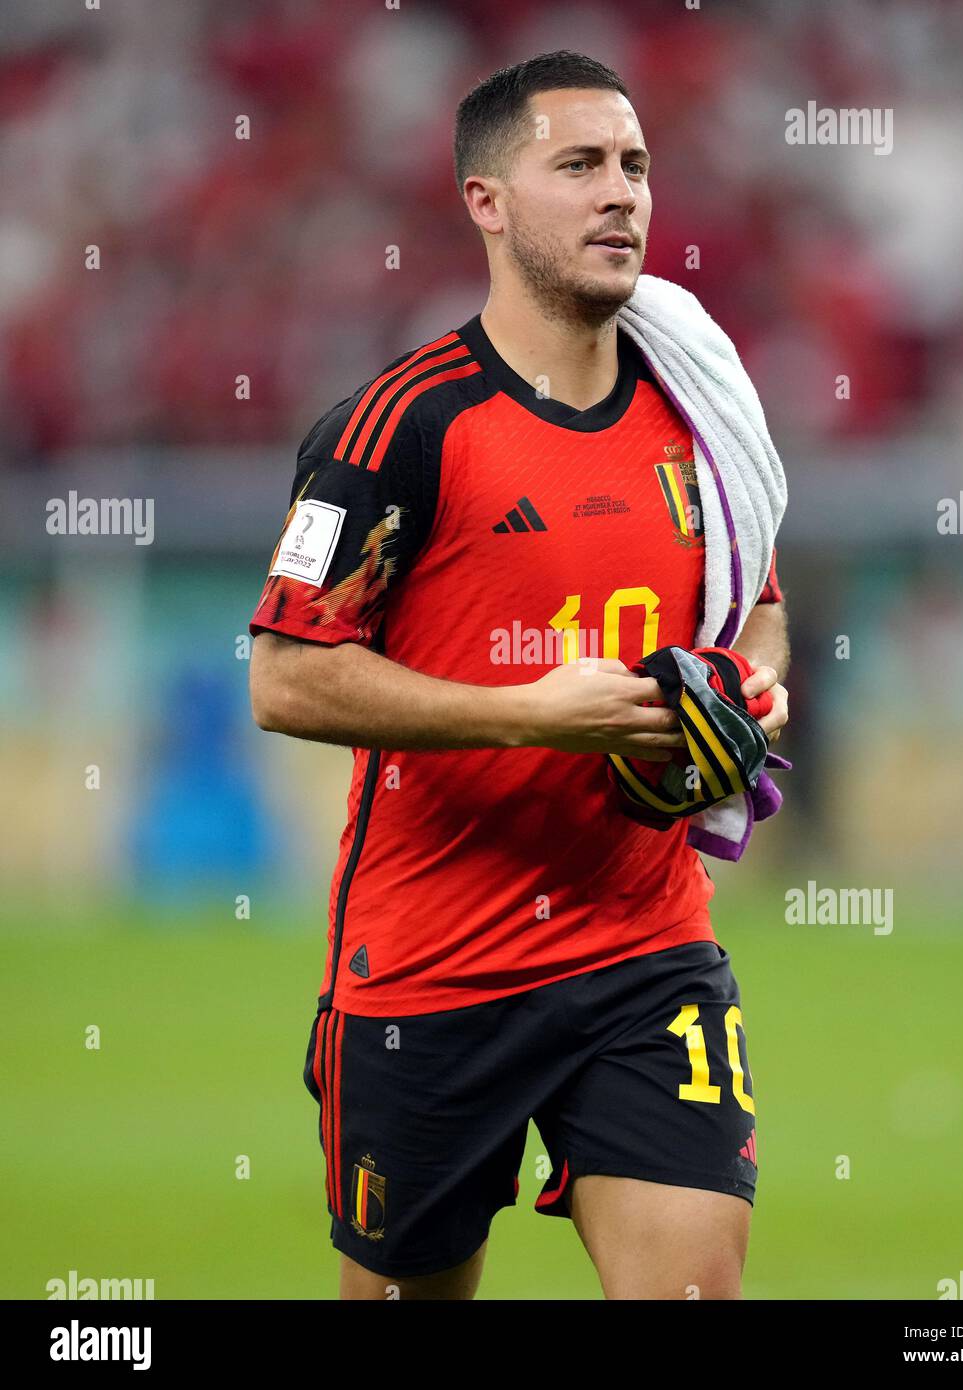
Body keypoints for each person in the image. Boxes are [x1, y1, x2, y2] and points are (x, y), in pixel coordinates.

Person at [248, 49, 789, 1301]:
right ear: (485, 201)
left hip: (645, 948)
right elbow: (284, 678)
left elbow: (759, 602)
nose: (623, 197)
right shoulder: (396, 426)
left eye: (638, 167)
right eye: (582, 165)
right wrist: (527, 718)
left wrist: (750, 692)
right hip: (431, 970)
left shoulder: (699, 406)